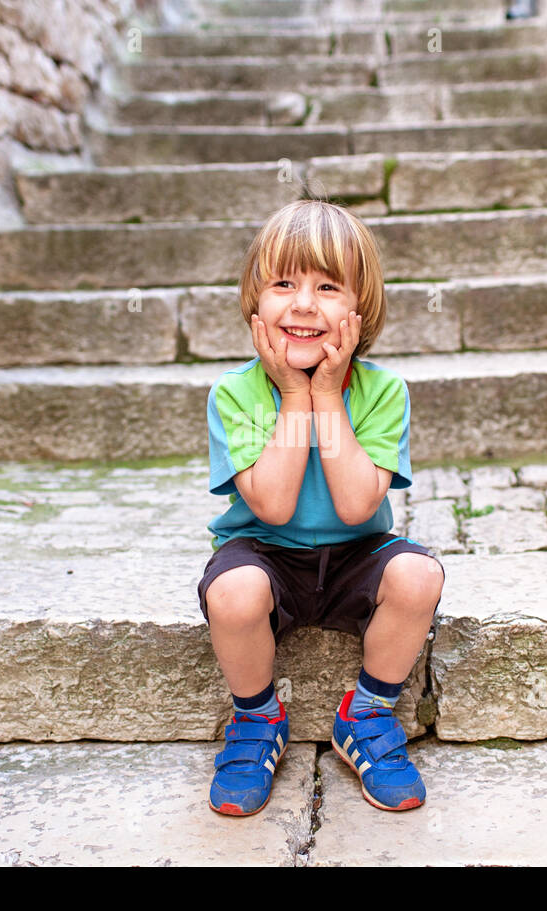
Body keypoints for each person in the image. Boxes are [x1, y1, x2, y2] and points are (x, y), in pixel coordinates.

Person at [196, 199, 446, 816]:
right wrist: (291, 395)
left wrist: (328, 394)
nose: (304, 304)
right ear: (255, 303)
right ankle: (256, 718)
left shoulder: (383, 391)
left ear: (362, 311)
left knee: (419, 575)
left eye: (328, 287)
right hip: (266, 553)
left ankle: (365, 715)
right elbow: (275, 506)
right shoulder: (234, 393)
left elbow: (361, 504)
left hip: (357, 552)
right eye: (284, 283)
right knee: (233, 594)